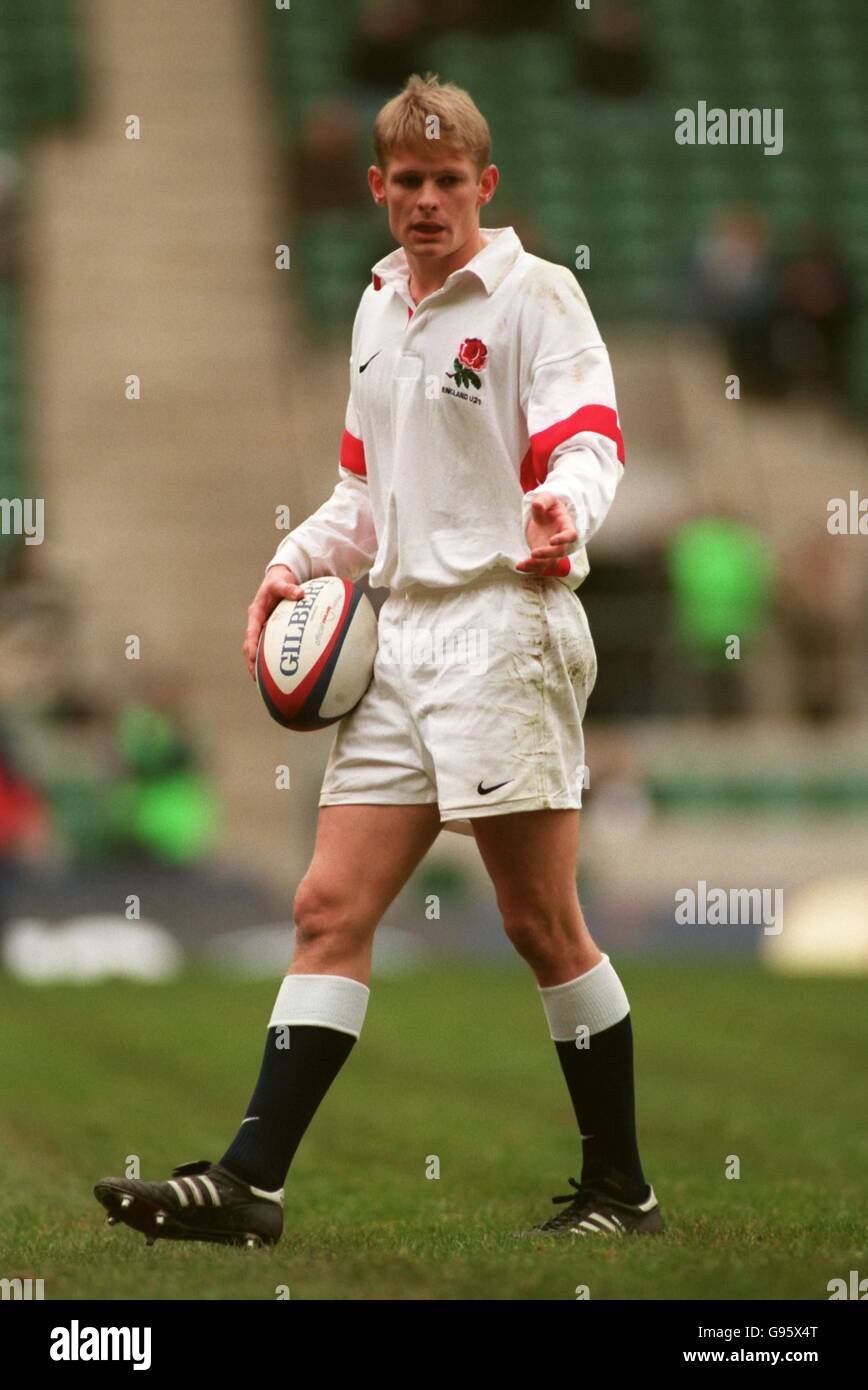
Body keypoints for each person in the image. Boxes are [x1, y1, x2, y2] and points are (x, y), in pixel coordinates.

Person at [94, 73, 662, 1247]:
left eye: (448, 180)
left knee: (539, 921)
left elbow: (588, 437)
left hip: (508, 625)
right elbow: (364, 492)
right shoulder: (372, 307)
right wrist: (289, 560)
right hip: (399, 637)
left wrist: (562, 508)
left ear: (483, 186)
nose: (426, 200)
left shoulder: (536, 298)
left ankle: (622, 1190)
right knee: (325, 904)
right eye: (406, 180)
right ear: (377, 187)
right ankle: (251, 1184)